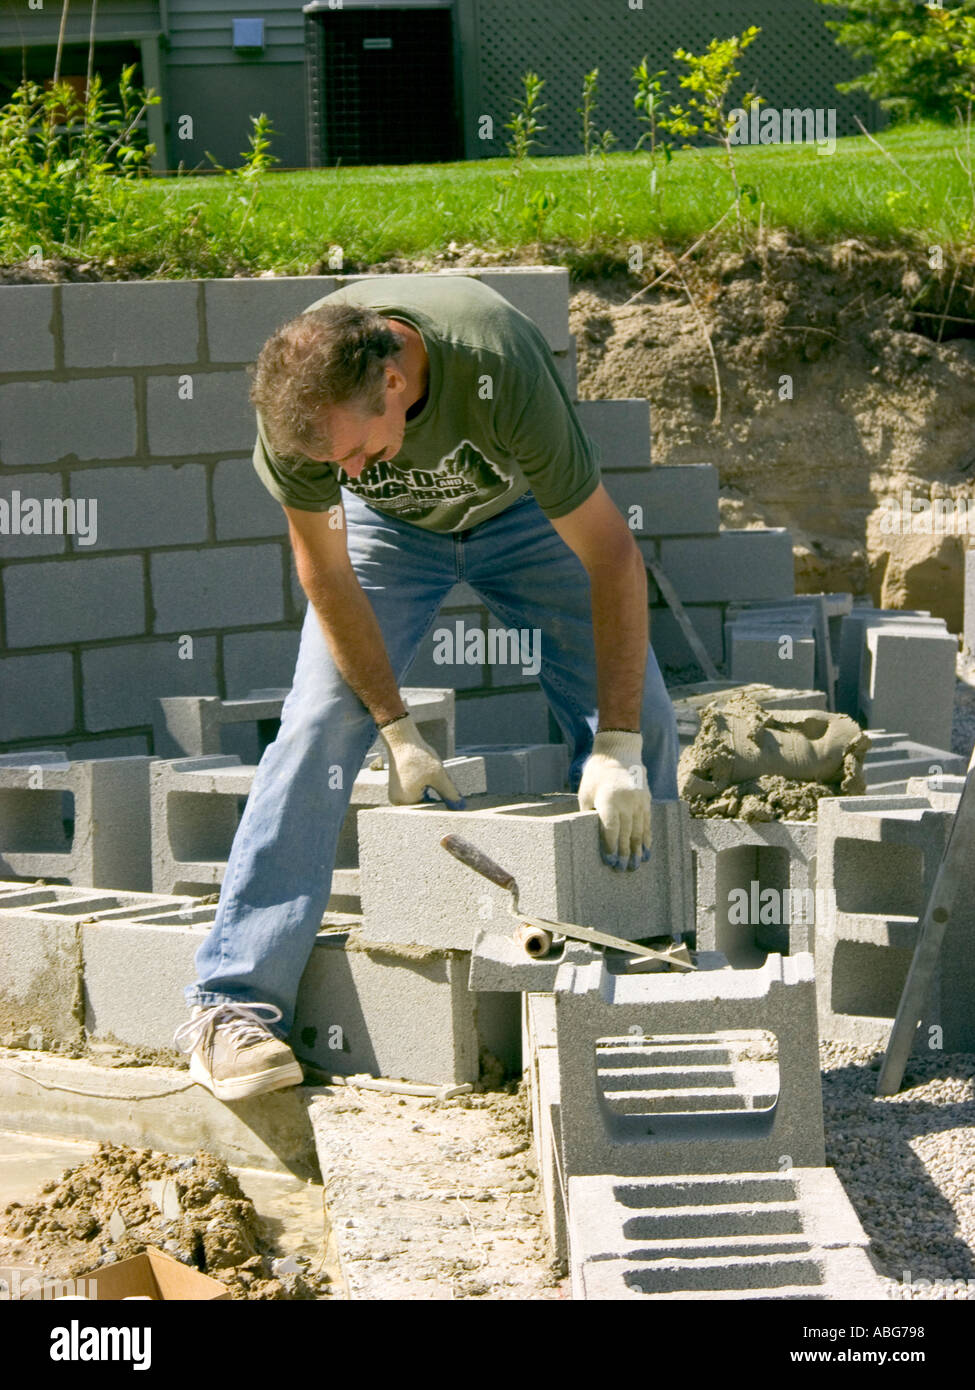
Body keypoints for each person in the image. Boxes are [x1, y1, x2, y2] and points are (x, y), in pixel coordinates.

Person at [173, 274, 679, 1100]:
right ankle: (231, 1004)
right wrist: (395, 728)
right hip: (387, 541)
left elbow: (611, 556)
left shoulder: (496, 362)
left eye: (355, 450)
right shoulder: (302, 424)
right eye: (329, 462)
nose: (345, 469)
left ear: (396, 384)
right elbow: (327, 570)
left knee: (643, 724)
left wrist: (615, 740)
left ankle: (648, 970)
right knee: (314, 725)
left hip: (524, 518)